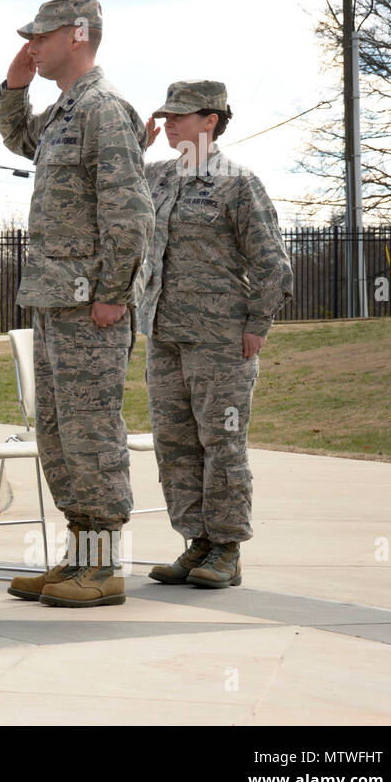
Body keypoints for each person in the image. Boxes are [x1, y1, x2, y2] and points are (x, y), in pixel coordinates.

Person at [0, 0, 153, 608]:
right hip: (56, 300)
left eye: (41, 35)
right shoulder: (66, 110)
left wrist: (114, 293)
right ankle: (79, 556)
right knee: (59, 433)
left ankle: (105, 562)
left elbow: (129, 213)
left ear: (78, 36)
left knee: (90, 431)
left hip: (91, 304)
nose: (32, 43)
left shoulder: (104, 109)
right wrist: (16, 83)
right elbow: (18, 137)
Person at [140, 80, 293, 588]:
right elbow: (110, 194)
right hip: (165, 335)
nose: (168, 126)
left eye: (179, 117)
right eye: (165, 117)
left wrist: (257, 325)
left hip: (221, 339)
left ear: (211, 120)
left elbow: (272, 265)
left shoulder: (236, 182)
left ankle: (226, 548)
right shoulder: (156, 178)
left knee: (221, 442)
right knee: (175, 444)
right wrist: (133, 148)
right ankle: (196, 542)